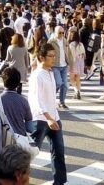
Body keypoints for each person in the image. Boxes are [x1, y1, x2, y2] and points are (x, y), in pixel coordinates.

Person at [28, 44, 67, 185]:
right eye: (50, 56)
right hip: (40, 119)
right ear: (41, 57)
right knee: (30, 153)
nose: (53, 58)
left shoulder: (51, 72)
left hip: (54, 116)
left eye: (54, 55)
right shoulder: (37, 75)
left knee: (59, 152)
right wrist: (48, 118)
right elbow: (36, 100)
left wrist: (54, 116)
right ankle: (17, 179)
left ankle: (59, 182)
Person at [0, 67, 33, 139]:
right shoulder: (24, 101)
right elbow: (29, 126)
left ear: (3, 81)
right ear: (18, 83)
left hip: (2, 139)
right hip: (20, 140)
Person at [48, 26, 72, 109]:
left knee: (65, 85)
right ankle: (50, 98)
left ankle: (61, 102)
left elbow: (69, 53)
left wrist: (71, 64)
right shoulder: (51, 41)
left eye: (63, 33)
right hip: (55, 65)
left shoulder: (65, 40)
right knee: (58, 83)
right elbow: (47, 53)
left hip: (64, 65)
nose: (61, 34)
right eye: (59, 33)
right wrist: (48, 65)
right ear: (55, 33)